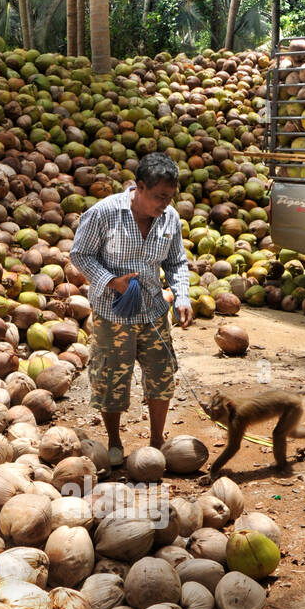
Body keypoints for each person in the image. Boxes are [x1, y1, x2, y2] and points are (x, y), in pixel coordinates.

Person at [70, 152, 192, 466]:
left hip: (152, 311)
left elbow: (176, 261)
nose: (164, 204)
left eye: (169, 197)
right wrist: (112, 281)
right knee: (111, 378)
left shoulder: (170, 218)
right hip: (113, 314)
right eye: (158, 197)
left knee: (161, 376)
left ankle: (155, 440)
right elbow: (80, 255)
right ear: (139, 187)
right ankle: (113, 441)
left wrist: (182, 296)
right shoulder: (104, 213)